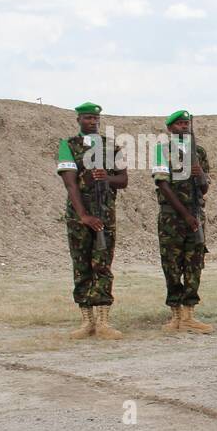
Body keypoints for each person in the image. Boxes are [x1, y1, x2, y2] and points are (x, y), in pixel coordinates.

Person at [56, 102, 128, 340]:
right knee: (82, 266)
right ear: (78, 120)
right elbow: (70, 183)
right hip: (80, 217)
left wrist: (106, 177)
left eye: (96, 119)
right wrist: (83, 215)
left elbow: (123, 180)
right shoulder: (68, 145)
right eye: (88, 118)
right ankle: (87, 321)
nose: (93, 122)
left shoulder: (111, 147)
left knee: (103, 265)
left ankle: (104, 321)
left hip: (106, 215)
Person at [152, 110, 212, 333]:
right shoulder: (162, 150)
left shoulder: (199, 152)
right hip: (172, 218)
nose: (184, 127)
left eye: (186, 123)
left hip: (196, 215)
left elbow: (205, 188)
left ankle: (189, 315)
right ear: (170, 129)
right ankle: (175, 314)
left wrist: (200, 175)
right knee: (172, 264)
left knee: (194, 264)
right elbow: (163, 185)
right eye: (179, 124)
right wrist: (185, 215)